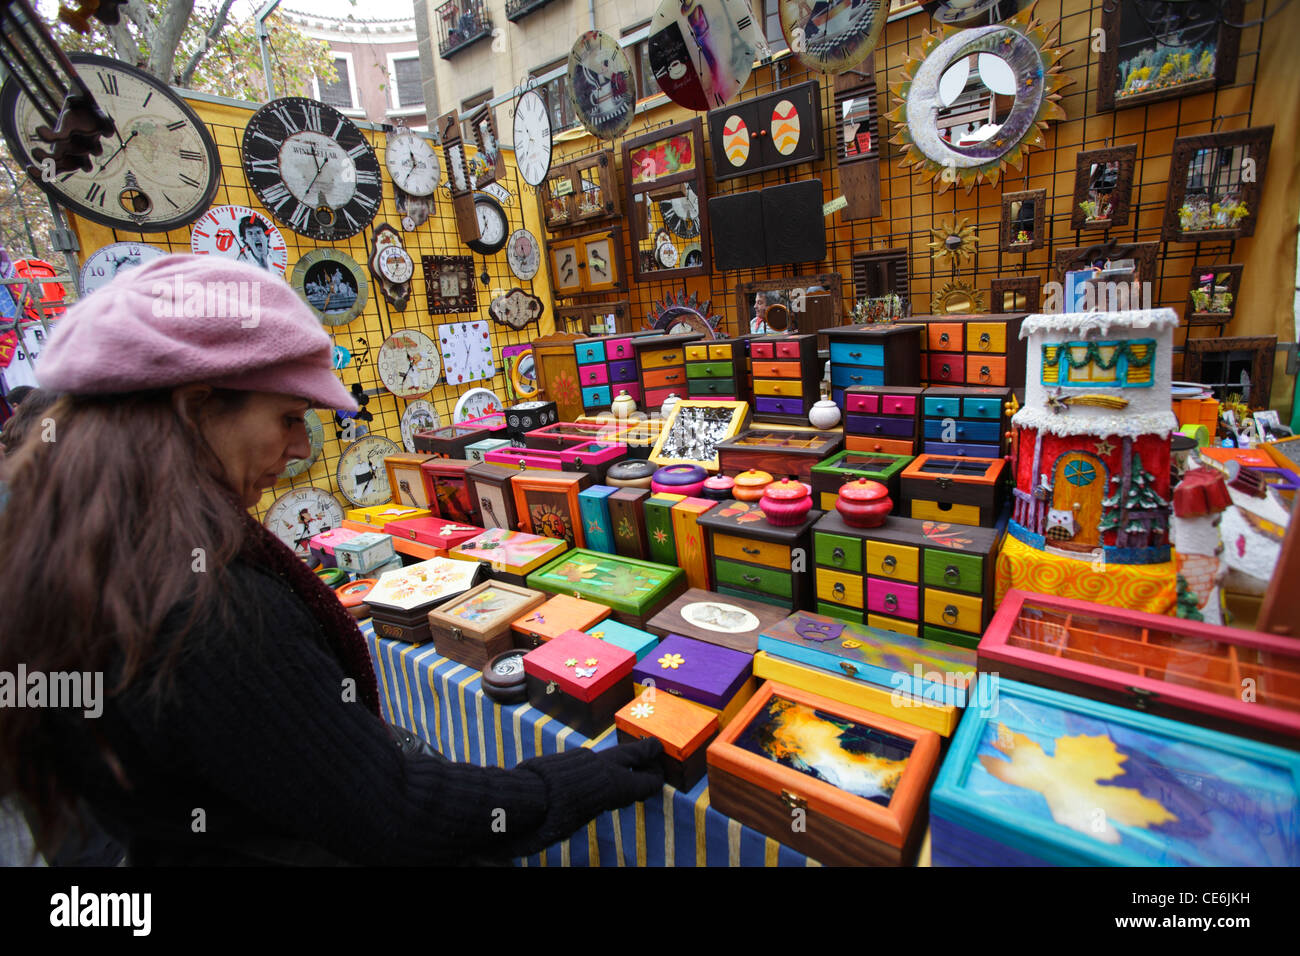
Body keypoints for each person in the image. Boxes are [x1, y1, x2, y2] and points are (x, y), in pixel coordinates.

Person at [0, 255, 663, 866]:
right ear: (196, 408)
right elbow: (392, 810)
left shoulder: (76, 540)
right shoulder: (207, 604)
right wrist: (561, 783)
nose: (298, 449)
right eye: (289, 417)